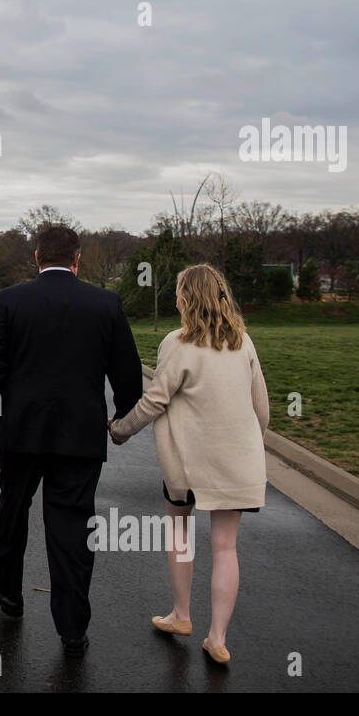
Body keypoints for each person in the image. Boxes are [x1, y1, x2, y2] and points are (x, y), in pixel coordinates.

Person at [0, 223, 143, 657]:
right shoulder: (105, 303)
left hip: (19, 431)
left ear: (36, 257)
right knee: (70, 525)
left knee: (13, 507)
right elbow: (128, 373)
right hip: (79, 435)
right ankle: (72, 626)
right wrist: (121, 416)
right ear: (77, 259)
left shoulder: (10, 301)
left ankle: (7, 591)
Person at [107, 264, 269, 665]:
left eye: (179, 291)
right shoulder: (242, 342)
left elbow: (155, 400)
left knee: (180, 533)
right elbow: (261, 409)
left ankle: (181, 614)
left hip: (189, 465)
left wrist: (121, 429)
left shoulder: (177, 343)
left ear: (187, 298)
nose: (176, 298)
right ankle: (217, 638)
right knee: (226, 547)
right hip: (238, 462)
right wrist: (250, 443)